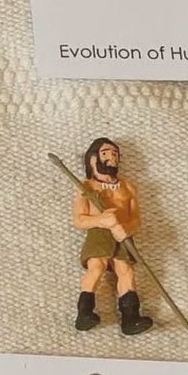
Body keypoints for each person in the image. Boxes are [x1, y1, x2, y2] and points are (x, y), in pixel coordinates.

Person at [71, 138, 152, 335]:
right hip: (99, 233)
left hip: (121, 236)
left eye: (115, 153)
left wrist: (126, 229)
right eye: (106, 153)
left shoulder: (128, 187)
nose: (112, 157)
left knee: (126, 271)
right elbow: (79, 220)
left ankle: (131, 317)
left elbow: (136, 219)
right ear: (93, 159)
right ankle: (84, 313)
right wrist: (100, 220)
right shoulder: (86, 187)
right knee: (97, 267)